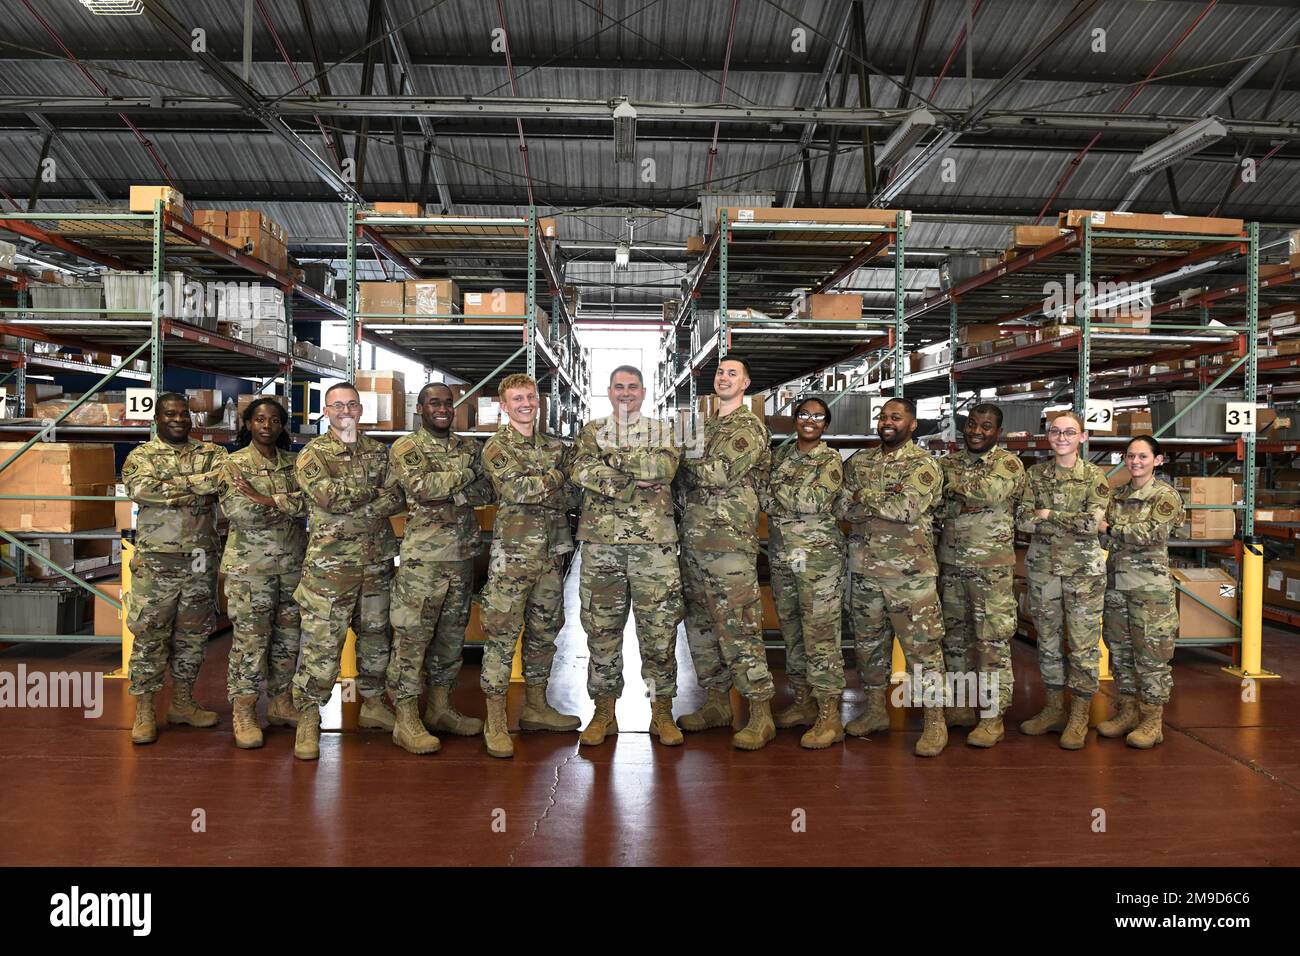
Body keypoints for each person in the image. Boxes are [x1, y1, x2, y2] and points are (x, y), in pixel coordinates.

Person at [568, 365, 684, 747]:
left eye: (632, 386)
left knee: (659, 633)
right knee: (601, 632)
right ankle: (604, 713)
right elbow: (580, 470)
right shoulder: (591, 431)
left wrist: (611, 462)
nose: (625, 392)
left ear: (644, 391)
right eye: (619, 386)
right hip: (602, 548)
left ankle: (661, 712)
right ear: (608, 390)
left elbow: (664, 468)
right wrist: (634, 479)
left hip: (654, 549)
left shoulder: (662, 430)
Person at [291, 381, 405, 761]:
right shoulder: (313, 454)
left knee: (376, 638)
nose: (345, 411)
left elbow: (397, 497)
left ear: (360, 409)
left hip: (375, 563)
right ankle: (308, 718)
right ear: (327, 412)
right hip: (329, 568)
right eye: (337, 405)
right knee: (322, 644)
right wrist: (371, 497)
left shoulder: (379, 452)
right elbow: (327, 497)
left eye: (352, 404)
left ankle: (373, 705)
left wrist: (361, 501)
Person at [385, 382, 495, 755]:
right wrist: (463, 479)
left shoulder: (467, 447)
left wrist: (453, 488)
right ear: (420, 408)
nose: (443, 408)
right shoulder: (406, 447)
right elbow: (421, 487)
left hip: (462, 557)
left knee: (451, 639)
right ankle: (405, 718)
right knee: (412, 638)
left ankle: (440, 708)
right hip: (423, 562)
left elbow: (488, 492)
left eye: (448, 403)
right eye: (435, 402)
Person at [835, 396, 949, 757]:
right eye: (883, 416)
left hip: (909, 576)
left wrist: (865, 497)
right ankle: (874, 711)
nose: (887, 422)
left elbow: (906, 508)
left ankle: (935, 721)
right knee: (869, 648)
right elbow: (841, 505)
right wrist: (879, 498)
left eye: (896, 417)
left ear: (912, 424)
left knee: (923, 650)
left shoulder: (923, 464)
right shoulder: (862, 460)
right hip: (865, 571)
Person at [478, 373, 581, 758]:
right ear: (504, 406)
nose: (526, 403)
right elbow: (517, 489)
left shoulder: (553, 444)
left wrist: (552, 481)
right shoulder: (496, 447)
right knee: (502, 637)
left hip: (552, 555)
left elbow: (573, 495)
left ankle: (536, 707)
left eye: (530, 397)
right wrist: (556, 475)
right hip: (513, 559)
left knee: (544, 632)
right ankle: (495, 719)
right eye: (517, 398)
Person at [676, 355, 776, 751]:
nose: (723, 377)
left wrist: (678, 461)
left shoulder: (748, 427)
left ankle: (760, 714)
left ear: (746, 383)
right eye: (720, 372)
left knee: (738, 628)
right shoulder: (706, 426)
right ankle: (716, 703)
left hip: (730, 545)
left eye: (732, 373)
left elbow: (720, 473)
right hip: (696, 542)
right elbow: (687, 483)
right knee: (700, 628)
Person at [121, 392, 228, 744]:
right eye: (170, 414)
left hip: (200, 559)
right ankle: (145, 710)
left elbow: (222, 485)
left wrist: (172, 490)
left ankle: (183, 703)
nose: (179, 419)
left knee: (193, 637)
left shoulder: (213, 453)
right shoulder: (141, 456)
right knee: (150, 635)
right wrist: (197, 487)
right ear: (157, 418)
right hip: (156, 561)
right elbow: (142, 490)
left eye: (184, 413)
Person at [1016, 410, 1112, 750]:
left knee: (1084, 647)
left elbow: (1093, 524)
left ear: (1082, 438)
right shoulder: (1035, 474)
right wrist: (1059, 519)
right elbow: (1023, 520)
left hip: (1083, 573)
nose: (1062, 438)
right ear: (1048, 436)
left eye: (1070, 432)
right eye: (1056, 431)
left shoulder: (1094, 477)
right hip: (1044, 571)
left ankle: (1080, 714)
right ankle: (1054, 708)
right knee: (1048, 642)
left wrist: (1049, 515)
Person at [218, 397, 307, 749]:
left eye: (273, 419)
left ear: (282, 424)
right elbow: (242, 514)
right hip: (250, 570)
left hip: (291, 567)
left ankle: (281, 702)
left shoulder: (295, 462)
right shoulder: (233, 464)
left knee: (287, 642)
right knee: (250, 643)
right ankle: (244, 709)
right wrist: (285, 503)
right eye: (259, 419)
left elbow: (310, 503)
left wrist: (266, 498)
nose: (266, 425)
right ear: (248, 424)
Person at [937, 402, 1027, 748]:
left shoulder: (1007, 463)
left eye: (985, 426)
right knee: (955, 639)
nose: (976, 431)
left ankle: (992, 717)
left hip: (992, 570)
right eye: (972, 424)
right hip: (953, 565)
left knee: (991, 643)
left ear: (998, 432)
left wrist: (955, 490)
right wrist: (963, 494)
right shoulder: (950, 462)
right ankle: (960, 706)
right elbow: (938, 504)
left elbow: (990, 493)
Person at [761, 396, 846, 749]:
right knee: (793, 630)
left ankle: (830, 716)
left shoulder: (830, 459)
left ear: (826, 424)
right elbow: (762, 500)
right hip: (784, 556)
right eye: (803, 415)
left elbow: (814, 502)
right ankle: (803, 703)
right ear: (794, 419)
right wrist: (786, 494)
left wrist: (778, 491)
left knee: (821, 635)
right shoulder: (782, 455)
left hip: (817, 561)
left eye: (817, 416)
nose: (809, 420)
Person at [1098, 435, 1185, 749]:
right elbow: (1102, 535)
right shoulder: (1118, 494)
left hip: (1150, 590)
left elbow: (1151, 534)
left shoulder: (1165, 496)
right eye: (1131, 456)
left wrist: (1108, 529)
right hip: (1118, 586)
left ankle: (1152, 720)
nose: (1135, 462)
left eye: (1143, 457)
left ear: (1157, 460)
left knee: (1151, 657)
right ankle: (1127, 712)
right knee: (1121, 654)